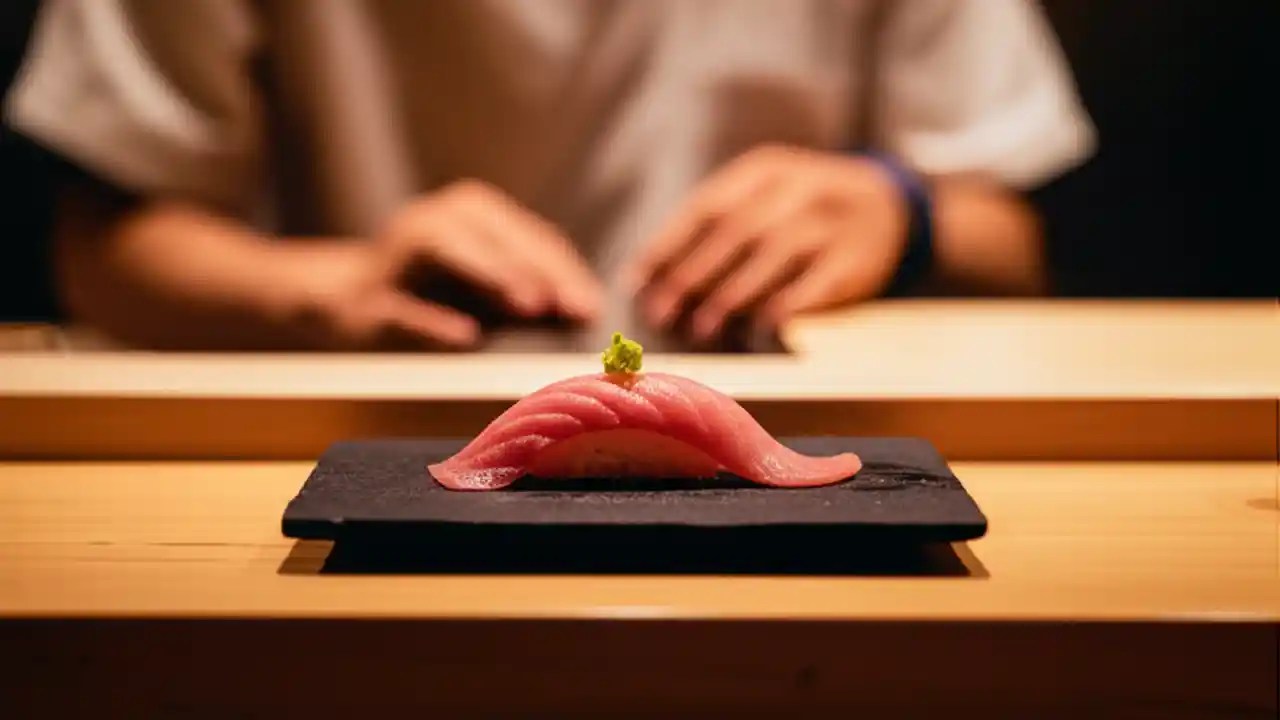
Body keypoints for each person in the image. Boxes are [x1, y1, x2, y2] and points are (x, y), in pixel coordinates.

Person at [4, 0, 1094, 351]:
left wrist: (898, 213)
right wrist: (336, 286)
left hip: (809, 447)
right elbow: (100, 248)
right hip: (361, 436)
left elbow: (1012, 242)